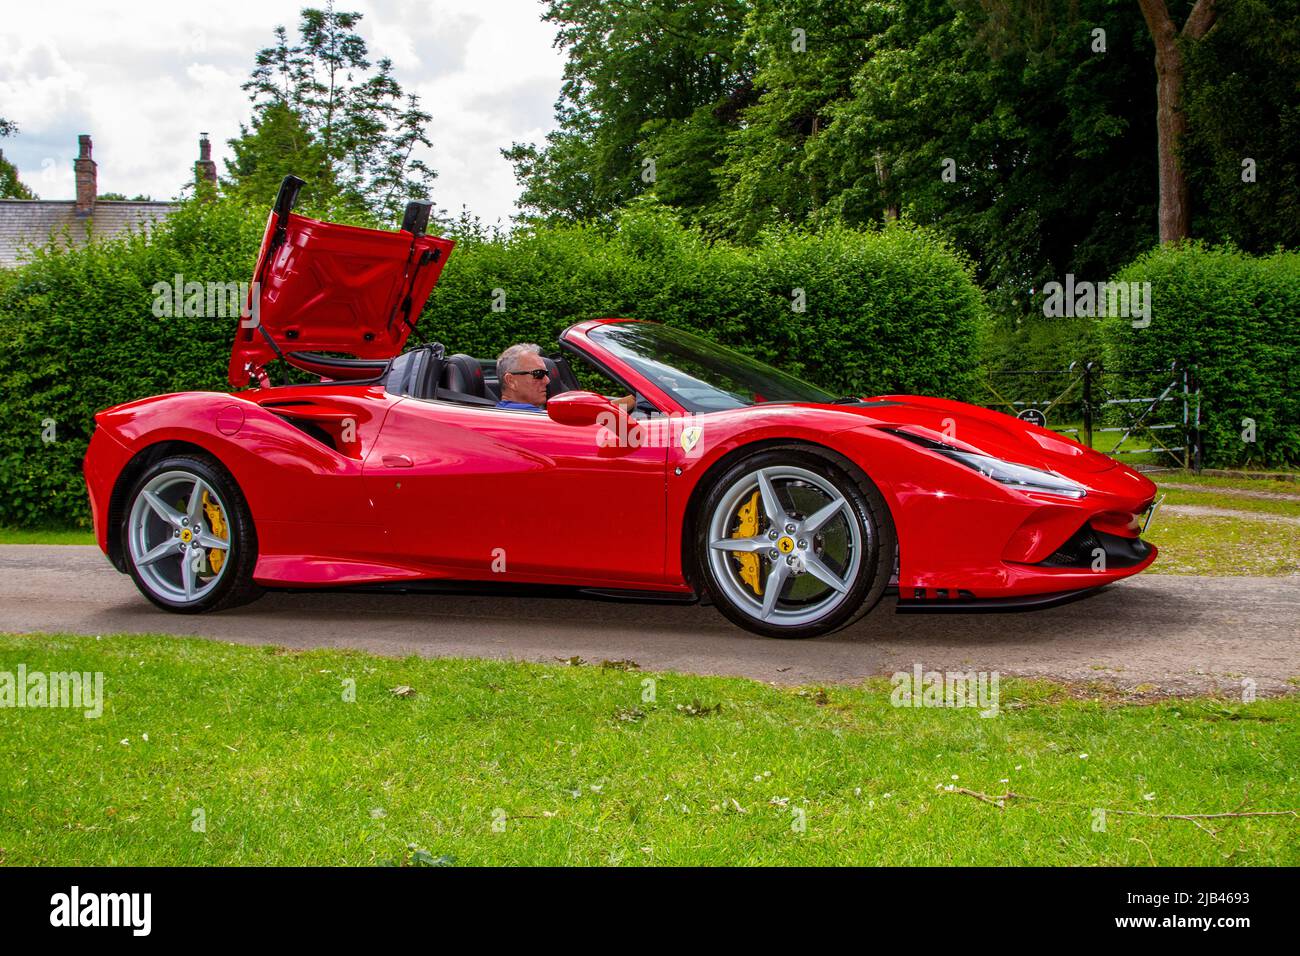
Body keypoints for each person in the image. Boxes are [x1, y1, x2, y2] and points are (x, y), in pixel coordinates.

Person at [495, 343, 551, 411]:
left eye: (546, 373)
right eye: (538, 373)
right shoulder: (533, 416)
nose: (547, 380)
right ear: (511, 381)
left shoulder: (500, 413)